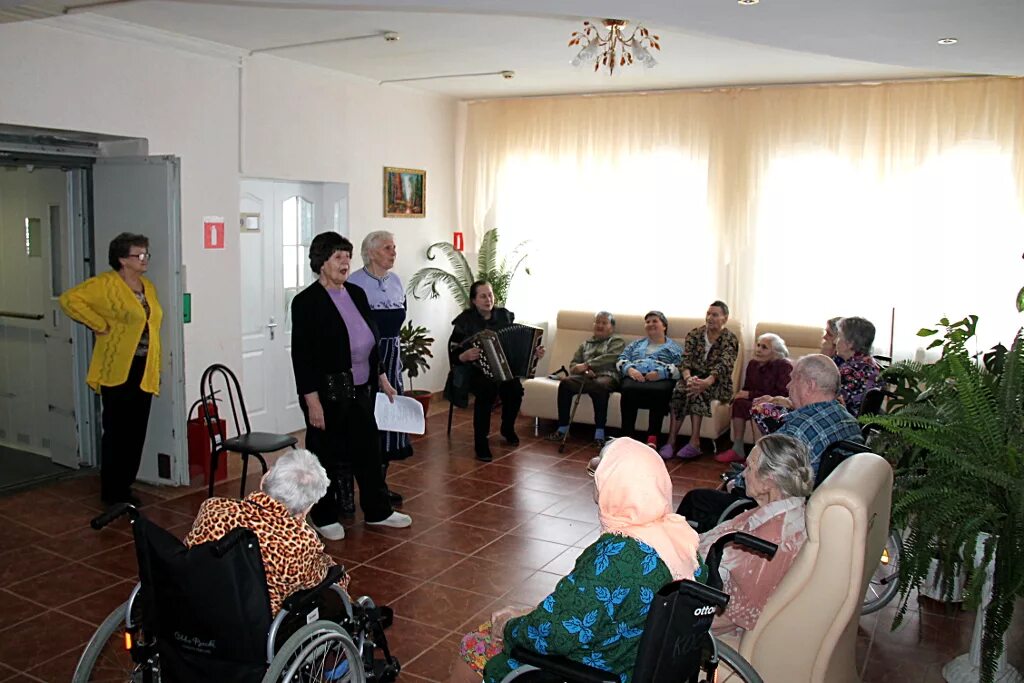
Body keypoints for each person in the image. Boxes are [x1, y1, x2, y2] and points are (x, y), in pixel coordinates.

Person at [451, 437, 702, 683]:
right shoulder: (684, 543)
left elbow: (557, 633)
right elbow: (593, 610)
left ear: (615, 483)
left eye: (600, 470)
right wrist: (527, 613)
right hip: (639, 660)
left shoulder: (616, 557)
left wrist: (508, 627)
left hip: (594, 669)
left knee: (475, 643)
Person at [290, 232, 412, 541]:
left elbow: (369, 340)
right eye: (337, 257)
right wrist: (312, 403)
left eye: (347, 256)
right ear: (321, 263)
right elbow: (302, 357)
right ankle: (323, 515)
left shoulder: (356, 293)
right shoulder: (307, 302)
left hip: (361, 389)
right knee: (325, 458)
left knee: (368, 453)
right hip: (327, 392)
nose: (345, 263)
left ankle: (378, 511)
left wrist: (382, 378)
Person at [677, 354, 861, 532]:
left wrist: (735, 481)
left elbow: (758, 483)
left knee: (696, 499)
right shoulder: (849, 421)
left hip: (779, 513)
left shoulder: (797, 429)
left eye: (793, 379)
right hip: (818, 508)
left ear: (809, 385)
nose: (788, 386)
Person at [59, 232, 163, 507]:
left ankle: (125, 486)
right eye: (138, 255)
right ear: (121, 259)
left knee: (136, 431)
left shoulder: (147, 286)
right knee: (117, 431)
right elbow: (69, 300)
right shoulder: (105, 284)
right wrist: (97, 324)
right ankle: (112, 491)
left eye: (146, 254)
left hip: (144, 368)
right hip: (118, 368)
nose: (144, 260)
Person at [185, 449, 350, 616]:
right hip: (253, 626)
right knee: (336, 578)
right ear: (305, 509)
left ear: (264, 479)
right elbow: (318, 580)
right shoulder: (300, 542)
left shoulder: (212, 508)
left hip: (199, 612)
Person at [698, 434, 813, 635]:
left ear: (768, 482)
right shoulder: (785, 510)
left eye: (749, 467)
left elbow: (733, 616)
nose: (743, 474)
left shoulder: (769, 542)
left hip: (699, 604)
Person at [448, 280, 543, 462]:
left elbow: (519, 343)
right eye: (483, 296)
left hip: (502, 368)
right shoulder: (464, 322)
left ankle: (507, 427)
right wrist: (465, 355)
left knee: (515, 389)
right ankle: (480, 441)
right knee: (486, 390)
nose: (488, 299)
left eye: (490, 295)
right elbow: (454, 354)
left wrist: (534, 351)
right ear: (474, 300)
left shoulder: (504, 316)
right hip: (474, 371)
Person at [348, 230, 411, 506]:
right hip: (367, 357)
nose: (393, 252)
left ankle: (380, 486)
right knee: (365, 423)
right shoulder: (355, 284)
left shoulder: (396, 281)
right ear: (371, 252)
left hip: (393, 355)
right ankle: (349, 491)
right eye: (387, 248)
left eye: (394, 247)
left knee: (389, 420)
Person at [662, 301, 739, 460]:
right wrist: (688, 378)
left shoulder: (730, 338)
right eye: (708, 314)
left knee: (698, 392)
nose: (710, 318)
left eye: (715, 315)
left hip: (718, 381)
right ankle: (671, 441)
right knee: (680, 390)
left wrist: (708, 381)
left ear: (725, 318)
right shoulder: (695, 334)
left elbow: (725, 364)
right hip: (694, 376)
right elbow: (685, 360)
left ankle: (695, 442)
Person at [546, 311, 626, 447]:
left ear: (611, 327)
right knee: (565, 383)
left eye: (604, 323)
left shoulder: (617, 341)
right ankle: (562, 428)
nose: (600, 325)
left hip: (607, 376)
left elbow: (611, 358)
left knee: (599, 386)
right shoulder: (585, 344)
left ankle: (599, 433)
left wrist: (588, 365)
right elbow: (574, 364)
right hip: (585, 377)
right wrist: (580, 369)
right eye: (597, 322)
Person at [714, 333, 792, 464]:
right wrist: (742, 395)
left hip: (775, 403)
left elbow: (781, 393)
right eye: (758, 345)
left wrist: (750, 395)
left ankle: (759, 455)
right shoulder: (753, 364)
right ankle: (737, 448)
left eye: (764, 347)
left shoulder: (784, 366)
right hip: (756, 401)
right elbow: (747, 388)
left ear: (775, 352)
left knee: (757, 408)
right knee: (739, 403)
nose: (758, 349)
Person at [616, 311, 683, 446]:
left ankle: (653, 438)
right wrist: (630, 370)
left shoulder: (674, 348)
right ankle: (626, 436)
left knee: (660, 391)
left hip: (660, 380)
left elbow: (681, 367)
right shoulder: (635, 344)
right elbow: (620, 360)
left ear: (664, 326)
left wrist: (662, 373)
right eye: (647, 322)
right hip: (635, 376)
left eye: (654, 321)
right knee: (627, 388)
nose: (650, 324)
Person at [834, 316, 882, 416]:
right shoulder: (871, 364)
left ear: (850, 344)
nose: (835, 341)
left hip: (844, 424)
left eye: (839, 336)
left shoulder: (850, 372)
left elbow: (826, 404)